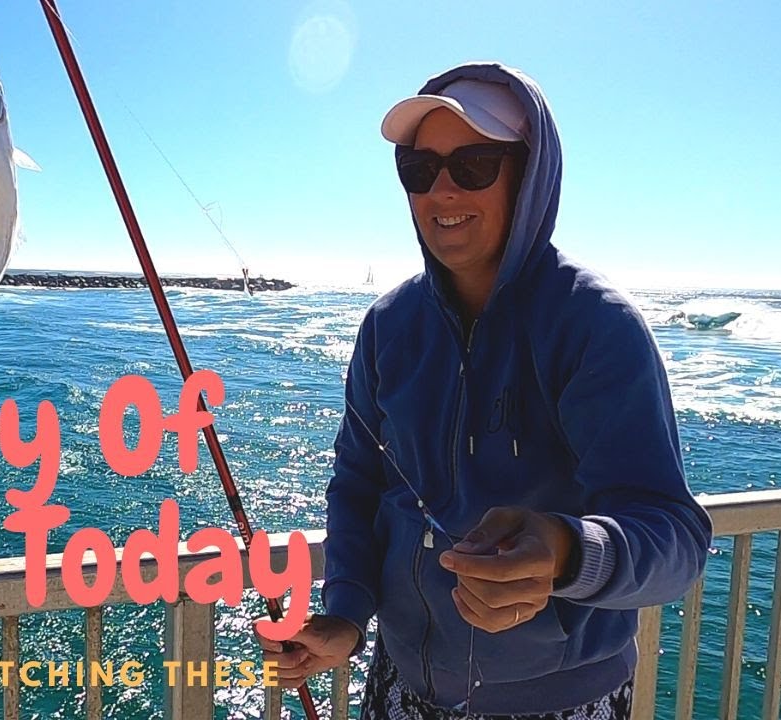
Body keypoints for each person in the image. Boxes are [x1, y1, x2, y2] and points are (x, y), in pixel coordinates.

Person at [255, 63, 713, 719]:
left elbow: (676, 538)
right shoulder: (388, 327)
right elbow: (357, 484)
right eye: (418, 169)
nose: (441, 189)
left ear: (529, 175)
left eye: (474, 164)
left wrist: (565, 551)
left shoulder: (595, 324)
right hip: (400, 685)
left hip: (562, 702)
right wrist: (348, 615)